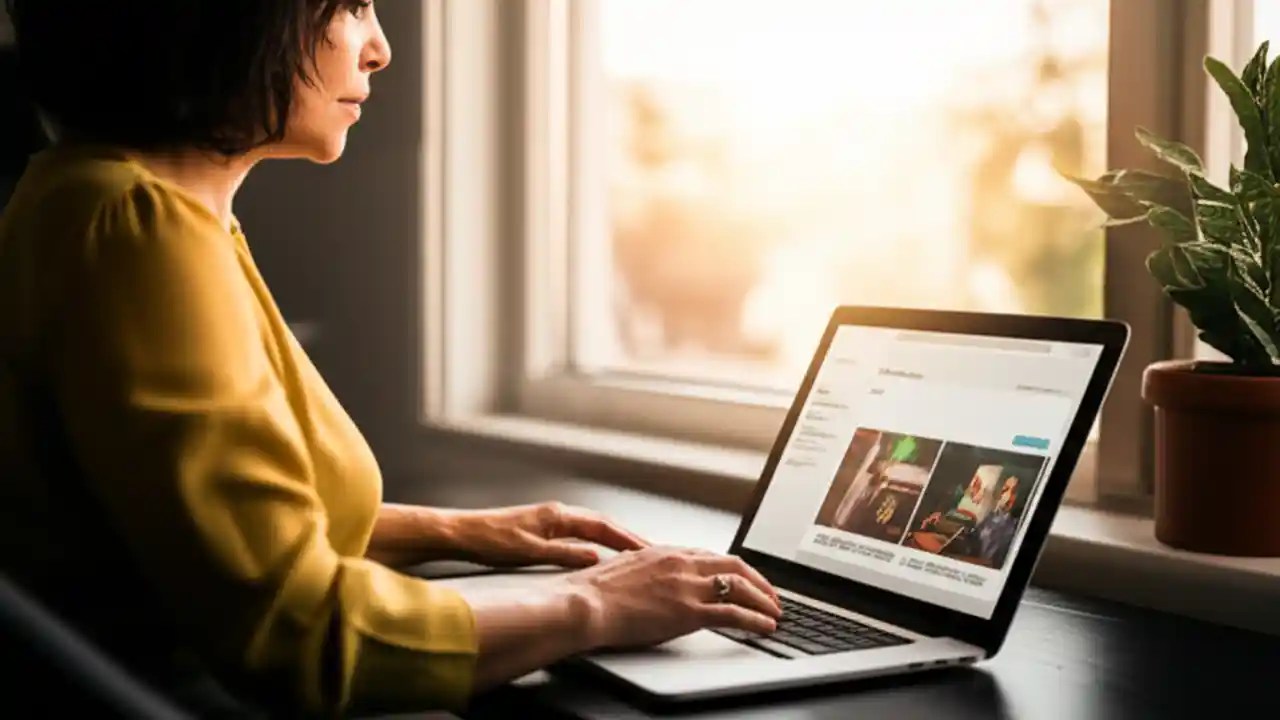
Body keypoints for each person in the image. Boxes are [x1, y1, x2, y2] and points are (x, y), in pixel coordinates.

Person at [0, 1, 780, 716]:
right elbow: (295, 635)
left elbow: (196, 539)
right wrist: (595, 603)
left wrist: (464, 532)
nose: (380, 49)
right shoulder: (137, 228)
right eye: (350, 7)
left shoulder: (115, 203)